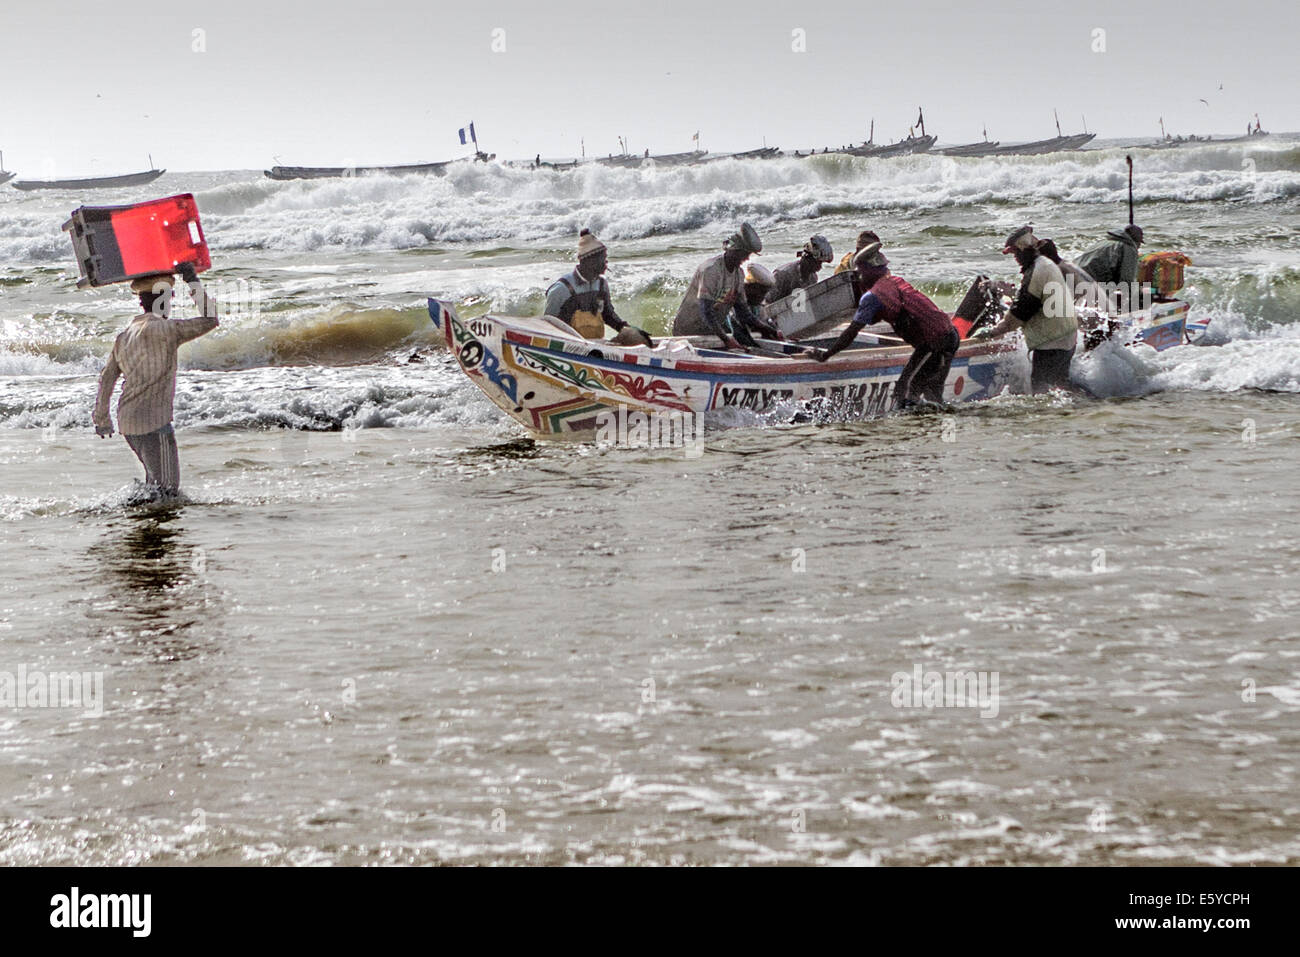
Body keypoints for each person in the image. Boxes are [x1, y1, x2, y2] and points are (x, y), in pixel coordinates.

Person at [92, 264, 219, 497]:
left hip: (127, 422)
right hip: (154, 422)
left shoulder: (124, 336)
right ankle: (147, 522)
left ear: (142, 302)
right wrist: (191, 279)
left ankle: (140, 520)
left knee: (155, 484)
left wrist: (102, 418)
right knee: (168, 489)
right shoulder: (168, 329)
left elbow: (107, 377)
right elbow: (210, 319)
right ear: (164, 300)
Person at [812, 243, 960, 408]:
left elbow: (851, 332)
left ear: (867, 272)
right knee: (932, 391)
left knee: (905, 391)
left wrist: (826, 355)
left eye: (860, 273)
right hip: (949, 336)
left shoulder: (873, 297)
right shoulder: (895, 281)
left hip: (935, 344)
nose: (860, 278)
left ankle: (913, 425)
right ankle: (937, 420)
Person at [974, 226, 1079, 394]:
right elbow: (1036, 299)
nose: (1016, 259)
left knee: (1041, 390)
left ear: (1024, 250)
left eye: (1016, 254)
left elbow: (1020, 313)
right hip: (1066, 335)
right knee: (1060, 385)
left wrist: (993, 331)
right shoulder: (1045, 264)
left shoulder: (1036, 271)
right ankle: (1086, 404)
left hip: (1051, 342)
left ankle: (1067, 410)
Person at [672, 223, 782, 347]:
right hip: (688, 330)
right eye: (744, 254)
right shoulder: (710, 270)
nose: (746, 259)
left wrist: (772, 331)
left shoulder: (739, 275)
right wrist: (726, 339)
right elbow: (706, 312)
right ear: (733, 250)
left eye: (748, 255)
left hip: (711, 331)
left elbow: (744, 314)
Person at [544, 229, 654, 346]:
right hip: (569, 348)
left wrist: (628, 329)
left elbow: (608, 315)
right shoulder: (561, 290)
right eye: (602, 258)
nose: (606, 263)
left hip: (595, 347)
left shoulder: (602, 284)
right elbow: (548, 328)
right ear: (588, 261)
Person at [1076, 224, 1143, 311]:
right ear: (1137, 241)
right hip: (1088, 285)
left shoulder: (1103, 243)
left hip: (1072, 278)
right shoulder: (1128, 247)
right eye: (1140, 243)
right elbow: (1126, 282)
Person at [1036, 238, 1102, 308]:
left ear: (1044, 256)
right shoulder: (1067, 264)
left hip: (1091, 305)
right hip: (1099, 301)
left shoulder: (1058, 269)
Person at [766, 235, 833, 303]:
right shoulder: (782, 275)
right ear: (807, 258)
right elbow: (766, 302)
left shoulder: (812, 278)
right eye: (817, 263)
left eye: (821, 263)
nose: (819, 267)